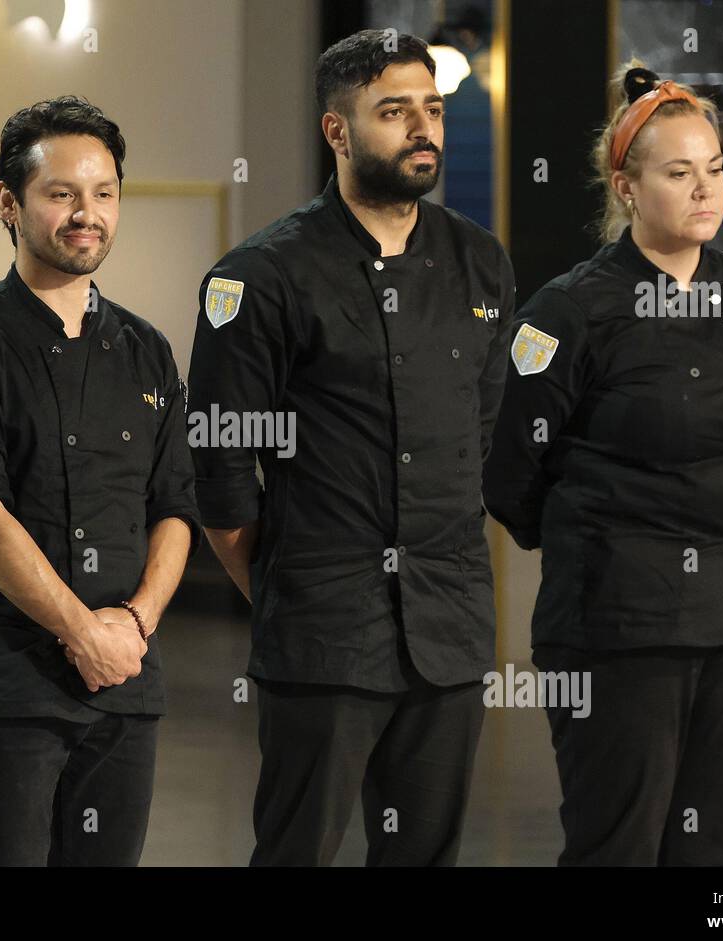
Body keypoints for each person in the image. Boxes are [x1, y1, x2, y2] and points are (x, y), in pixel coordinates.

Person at [188, 30, 516, 866]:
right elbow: (223, 465)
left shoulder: (479, 262)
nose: (423, 129)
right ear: (337, 131)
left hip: (449, 627)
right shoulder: (262, 275)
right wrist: (282, 587)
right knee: (298, 849)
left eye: (433, 110)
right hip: (325, 630)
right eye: (394, 111)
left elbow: (484, 434)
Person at [483, 64, 723, 865]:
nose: (706, 190)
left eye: (716, 168)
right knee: (617, 848)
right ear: (625, 187)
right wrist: (607, 544)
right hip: (619, 627)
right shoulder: (569, 310)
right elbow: (513, 472)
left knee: (717, 851)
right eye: (679, 172)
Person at [0, 96, 199, 867]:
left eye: (104, 193)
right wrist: (80, 631)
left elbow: (175, 506)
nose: (87, 213)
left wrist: (133, 627)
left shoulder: (147, 349)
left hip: (127, 683)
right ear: (10, 203)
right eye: (62, 193)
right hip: (9, 687)